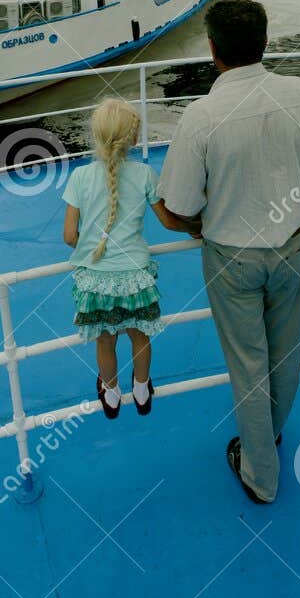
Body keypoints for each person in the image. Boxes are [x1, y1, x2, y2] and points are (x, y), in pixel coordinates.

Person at [158, 0, 300, 504]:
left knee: (248, 365)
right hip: (294, 245)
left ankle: (261, 475)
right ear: (265, 43)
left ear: (212, 49)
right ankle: (271, 434)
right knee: (285, 354)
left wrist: (194, 226)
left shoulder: (202, 116)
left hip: (231, 257)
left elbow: (177, 207)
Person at [63, 99, 196, 419]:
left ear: (96, 136)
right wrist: (196, 228)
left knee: (105, 341)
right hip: (136, 276)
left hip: (97, 279)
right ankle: (141, 388)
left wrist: (94, 251)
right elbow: (169, 221)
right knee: (140, 335)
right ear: (133, 139)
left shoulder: (79, 177)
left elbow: (69, 236)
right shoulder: (145, 174)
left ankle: (110, 394)